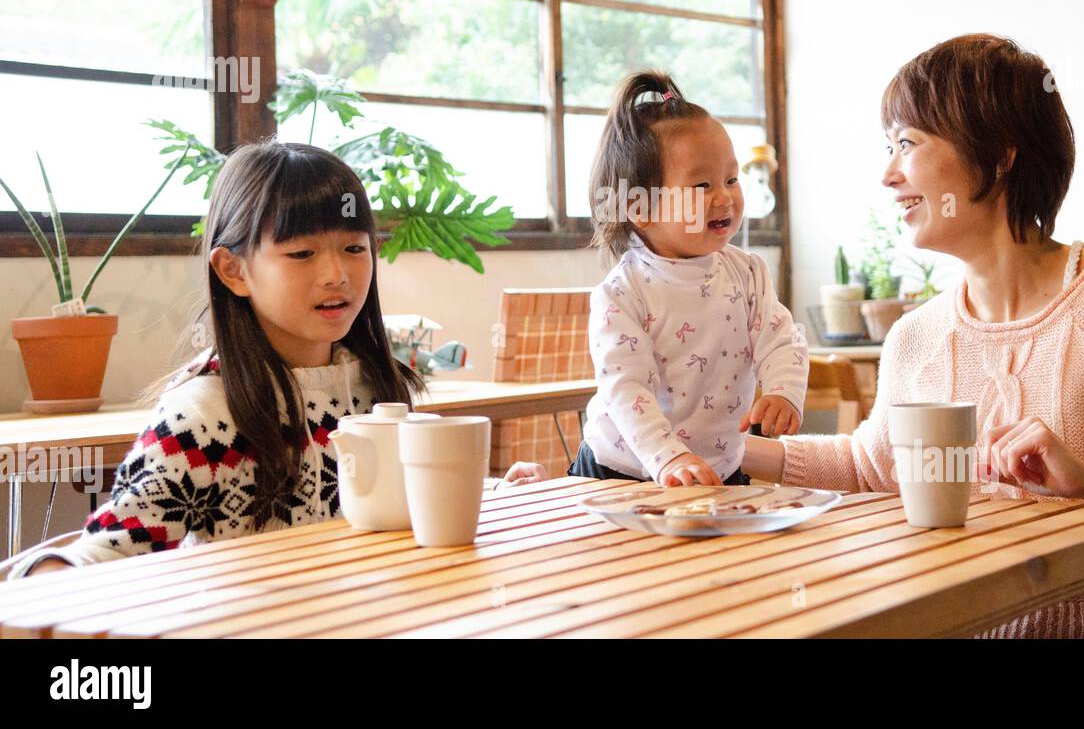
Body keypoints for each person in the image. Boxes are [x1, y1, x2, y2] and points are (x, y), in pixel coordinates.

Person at [742, 34, 1084, 638]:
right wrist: (719, 448)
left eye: (907, 144)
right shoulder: (916, 336)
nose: (889, 174)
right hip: (985, 622)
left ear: (998, 156)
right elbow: (871, 467)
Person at [11, 141, 545, 579]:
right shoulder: (203, 415)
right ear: (234, 271)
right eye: (303, 254)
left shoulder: (374, 386)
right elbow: (107, 554)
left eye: (354, 249)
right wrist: (47, 579)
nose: (337, 274)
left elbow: (402, 502)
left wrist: (495, 490)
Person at [571, 71, 808, 488]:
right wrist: (668, 458)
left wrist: (783, 389)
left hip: (718, 468)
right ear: (639, 207)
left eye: (731, 179)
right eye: (701, 185)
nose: (724, 197)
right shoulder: (623, 294)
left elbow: (781, 338)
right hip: (623, 470)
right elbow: (626, 390)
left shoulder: (748, 273)